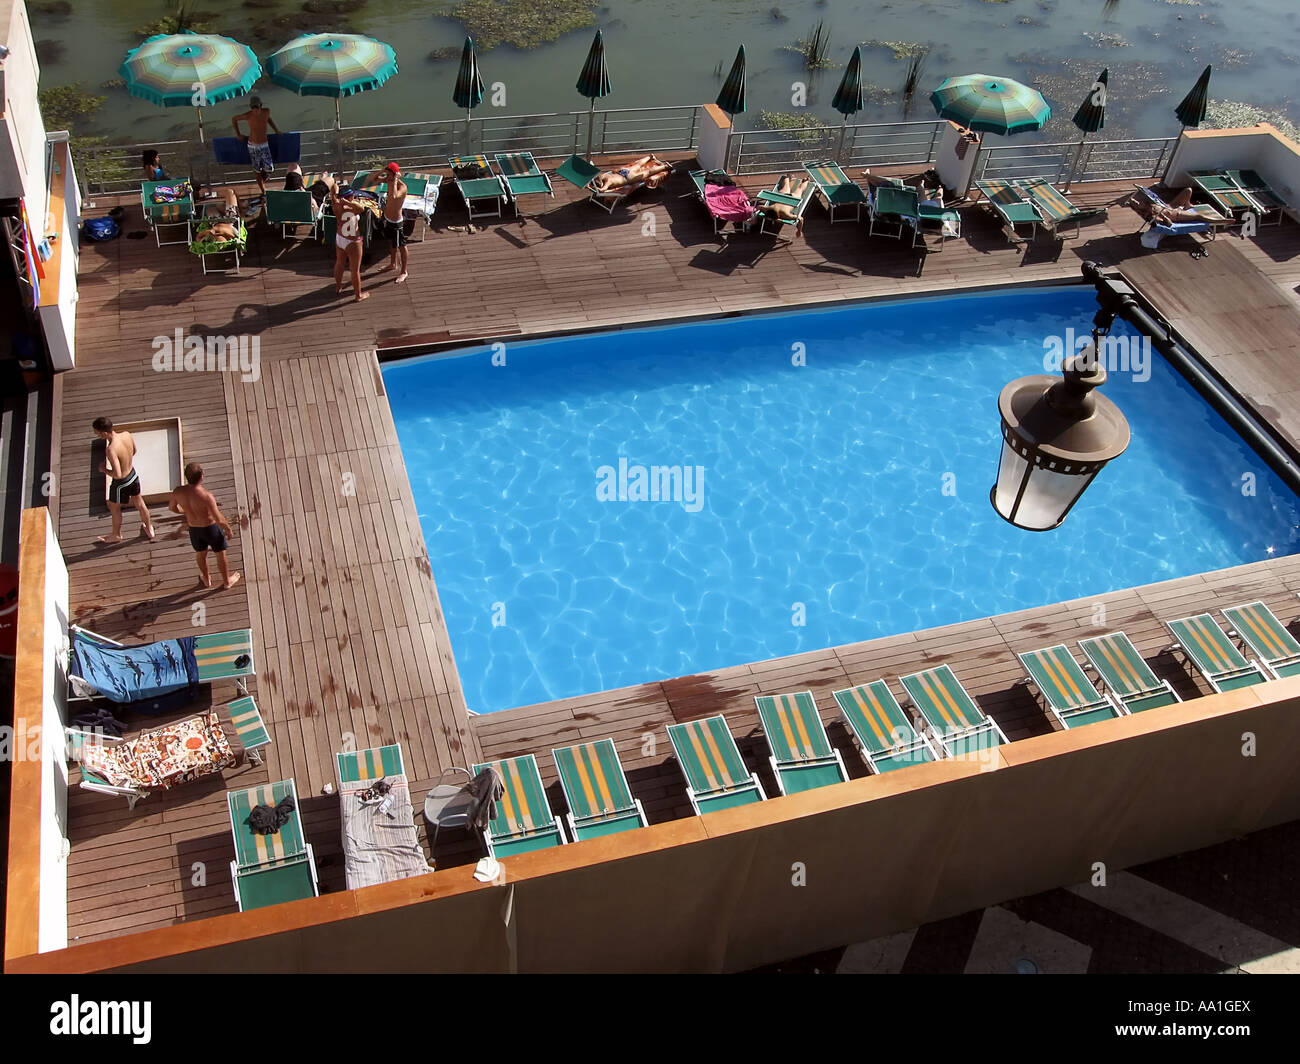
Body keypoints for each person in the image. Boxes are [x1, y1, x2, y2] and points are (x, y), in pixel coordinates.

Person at [168, 462, 241, 590]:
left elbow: (172, 507)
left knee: (201, 554)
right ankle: (227, 582)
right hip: (210, 529)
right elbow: (218, 519)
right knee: (220, 554)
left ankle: (206, 579)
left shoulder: (178, 492)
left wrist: (185, 511)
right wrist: (228, 529)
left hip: (194, 529)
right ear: (201, 477)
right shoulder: (207, 496)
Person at [93, 416, 155, 543]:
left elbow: (118, 474)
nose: (97, 435)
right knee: (140, 503)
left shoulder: (110, 449)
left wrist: (103, 470)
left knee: (114, 507)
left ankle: (116, 535)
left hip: (122, 483)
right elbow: (134, 451)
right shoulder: (126, 434)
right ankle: (149, 528)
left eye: (97, 433)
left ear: (104, 433)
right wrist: (124, 461)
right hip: (133, 475)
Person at [322, 174, 369, 301]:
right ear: (349, 197)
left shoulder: (336, 204)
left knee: (339, 263)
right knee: (355, 270)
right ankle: (358, 295)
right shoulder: (352, 208)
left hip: (340, 237)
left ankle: (338, 287)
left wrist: (336, 193)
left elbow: (333, 187)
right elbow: (361, 208)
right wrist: (349, 202)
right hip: (353, 241)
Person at [231, 96, 281, 195]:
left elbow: (268, 119)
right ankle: (263, 191)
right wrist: (238, 134)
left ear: (261, 106)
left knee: (269, 168)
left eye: (257, 107)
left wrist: (276, 130)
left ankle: (262, 180)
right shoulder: (248, 115)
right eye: (253, 108)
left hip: (264, 145)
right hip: (253, 145)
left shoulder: (266, 112)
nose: (255, 110)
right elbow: (234, 119)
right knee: (256, 169)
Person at [378, 162, 409, 284]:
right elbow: (373, 179)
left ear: (395, 175)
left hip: (397, 222)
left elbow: (394, 196)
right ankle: (392, 263)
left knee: (402, 246)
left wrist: (395, 179)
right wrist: (382, 171)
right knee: (391, 242)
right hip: (388, 219)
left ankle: (404, 271)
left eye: (389, 174)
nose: (387, 176)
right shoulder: (389, 180)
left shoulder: (402, 187)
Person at [591, 154, 671, 192]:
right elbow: (595, 178)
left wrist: (597, 189)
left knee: (647, 172)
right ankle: (650, 157)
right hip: (623, 172)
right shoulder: (604, 176)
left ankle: (665, 167)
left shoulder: (608, 182)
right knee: (638, 165)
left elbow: (602, 190)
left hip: (627, 177)